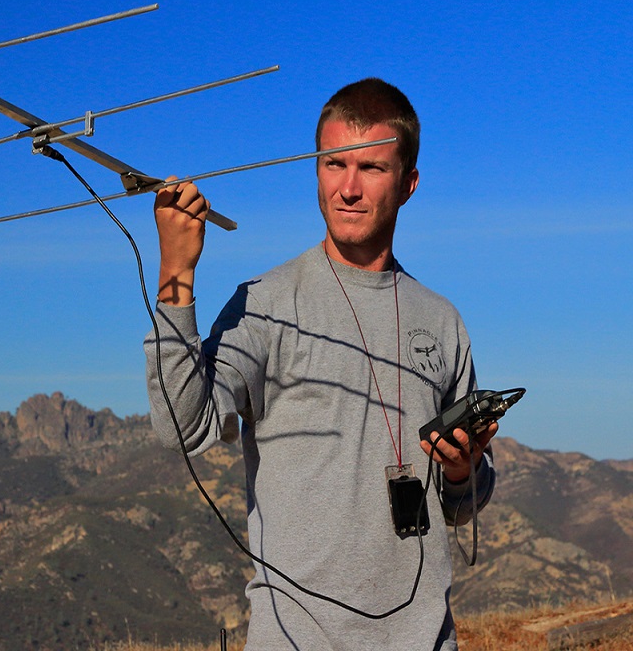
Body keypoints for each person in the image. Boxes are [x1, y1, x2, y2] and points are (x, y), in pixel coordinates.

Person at [144, 78, 497, 650]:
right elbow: (181, 428)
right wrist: (175, 277)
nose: (348, 189)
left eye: (372, 169)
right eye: (333, 165)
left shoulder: (442, 321)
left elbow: (463, 502)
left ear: (408, 184)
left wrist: (461, 473)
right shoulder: (264, 304)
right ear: (314, 171)